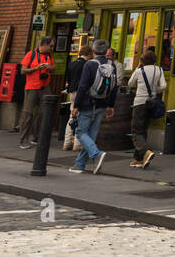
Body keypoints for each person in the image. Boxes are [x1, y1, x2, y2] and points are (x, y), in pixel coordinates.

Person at [70, 39, 117, 174]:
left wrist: (76, 105)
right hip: (102, 104)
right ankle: (80, 165)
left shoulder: (90, 65)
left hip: (87, 103)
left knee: (80, 132)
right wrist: (111, 105)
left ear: (93, 50)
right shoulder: (111, 65)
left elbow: (83, 86)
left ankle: (96, 154)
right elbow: (114, 87)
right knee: (91, 135)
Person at [126, 50, 166, 168]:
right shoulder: (159, 69)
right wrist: (154, 91)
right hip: (151, 103)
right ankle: (139, 159)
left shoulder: (139, 71)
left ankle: (145, 151)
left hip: (139, 103)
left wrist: (138, 68)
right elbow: (164, 86)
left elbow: (130, 83)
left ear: (142, 61)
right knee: (143, 129)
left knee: (136, 130)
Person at [16, 37, 55, 149]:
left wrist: (49, 67)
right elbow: (23, 71)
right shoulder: (31, 54)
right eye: (51, 46)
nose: (52, 48)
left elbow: (54, 69)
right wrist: (36, 69)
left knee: (43, 113)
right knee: (27, 113)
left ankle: (36, 137)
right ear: (44, 45)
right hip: (32, 87)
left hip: (45, 86)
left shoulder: (49, 55)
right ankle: (23, 140)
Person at [62, 45, 93, 151]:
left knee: (72, 117)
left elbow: (68, 80)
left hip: (72, 92)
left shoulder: (71, 64)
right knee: (81, 117)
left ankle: (66, 143)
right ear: (89, 54)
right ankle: (77, 143)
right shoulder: (87, 65)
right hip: (82, 93)